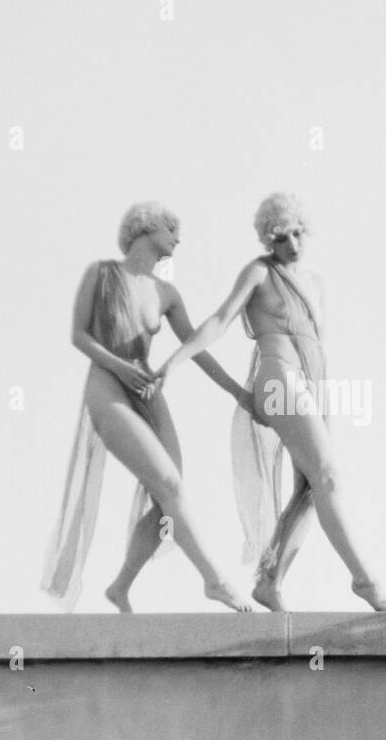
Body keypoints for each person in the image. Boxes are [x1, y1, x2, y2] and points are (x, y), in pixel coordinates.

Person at [153, 193, 386, 613]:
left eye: (298, 233)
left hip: (314, 382)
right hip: (277, 377)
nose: (292, 244)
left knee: (310, 488)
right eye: (281, 237)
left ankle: (270, 581)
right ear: (269, 239)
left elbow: (315, 340)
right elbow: (218, 321)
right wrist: (177, 359)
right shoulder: (258, 273)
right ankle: (366, 581)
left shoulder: (316, 282)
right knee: (329, 476)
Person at [41, 202, 253, 613]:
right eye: (171, 228)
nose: (179, 237)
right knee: (169, 486)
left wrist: (235, 391)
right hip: (108, 384)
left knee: (169, 495)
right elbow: (79, 336)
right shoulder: (101, 273)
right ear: (146, 226)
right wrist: (120, 366)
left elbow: (195, 347)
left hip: (149, 391)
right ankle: (215, 579)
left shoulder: (167, 293)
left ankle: (120, 586)